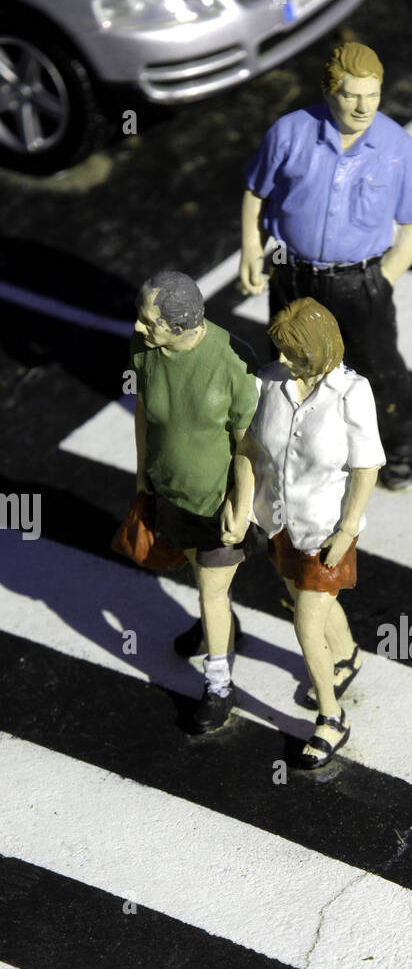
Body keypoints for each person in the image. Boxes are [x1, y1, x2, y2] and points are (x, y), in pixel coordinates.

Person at [239, 40, 412, 492]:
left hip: (358, 280)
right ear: (330, 92)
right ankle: (291, 450)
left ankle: (401, 452)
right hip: (293, 274)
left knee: (378, 370)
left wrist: (383, 279)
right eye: (351, 95)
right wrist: (252, 246)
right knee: (288, 368)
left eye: (373, 94)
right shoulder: (289, 134)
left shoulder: (397, 148)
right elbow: (256, 192)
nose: (364, 106)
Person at [240, 297, 385, 769]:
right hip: (280, 520)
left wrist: (346, 529)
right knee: (308, 601)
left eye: (292, 352)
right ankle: (347, 657)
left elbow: (367, 466)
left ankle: (331, 716)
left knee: (305, 620)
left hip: (327, 529)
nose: (282, 360)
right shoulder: (268, 382)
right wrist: (241, 503)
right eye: (280, 349)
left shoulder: (350, 392)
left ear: (318, 349)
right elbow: (249, 444)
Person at [131, 270, 259, 733]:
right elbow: (145, 412)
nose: (140, 328)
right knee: (202, 579)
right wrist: (143, 470)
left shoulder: (233, 361)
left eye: (150, 322)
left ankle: (219, 686)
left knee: (210, 587)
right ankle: (221, 624)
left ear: (182, 327)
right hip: (171, 491)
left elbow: (249, 446)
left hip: (217, 503)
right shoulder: (143, 349)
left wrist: (240, 505)